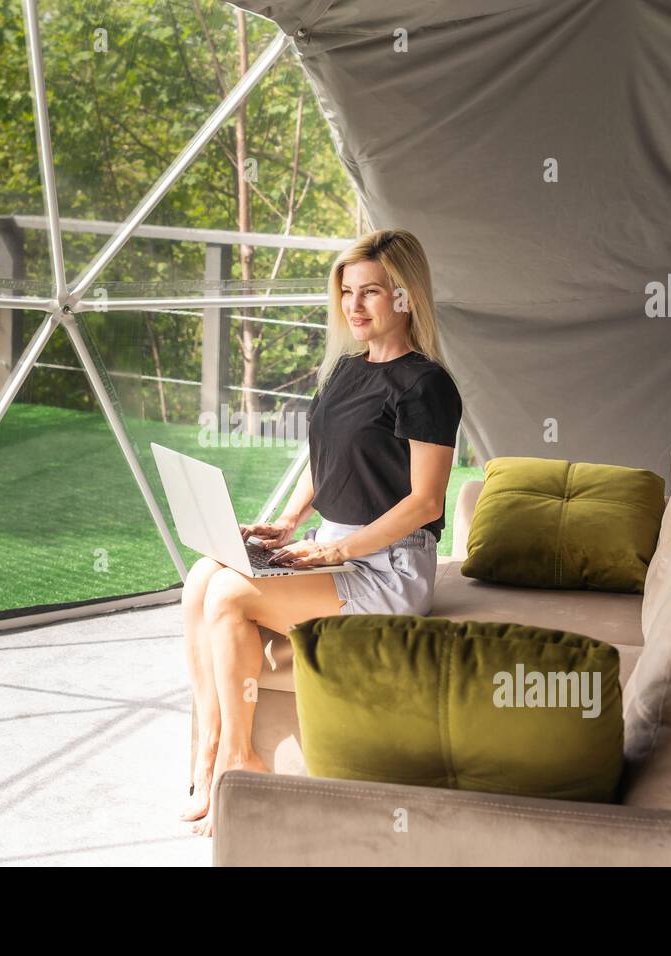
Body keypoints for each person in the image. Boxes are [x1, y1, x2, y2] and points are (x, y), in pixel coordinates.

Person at [180, 228, 464, 837]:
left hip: (388, 566)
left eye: (370, 293)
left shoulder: (427, 385)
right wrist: (287, 524)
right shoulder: (345, 371)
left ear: (406, 297)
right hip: (330, 546)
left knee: (230, 596)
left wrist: (338, 548)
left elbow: (425, 501)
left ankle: (241, 761)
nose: (354, 307)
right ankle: (205, 753)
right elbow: (327, 460)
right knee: (202, 576)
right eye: (346, 293)